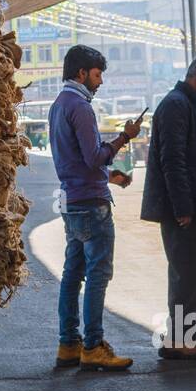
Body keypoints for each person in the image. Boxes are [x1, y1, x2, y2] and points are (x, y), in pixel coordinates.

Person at [48, 45, 141, 371]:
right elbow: (93, 157)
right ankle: (93, 345)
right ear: (82, 73)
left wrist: (110, 175)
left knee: (72, 274)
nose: (100, 82)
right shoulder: (81, 107)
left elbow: (75, 159)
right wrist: (124, 137)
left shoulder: (58, 105)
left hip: (71, 201)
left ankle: (68, 344)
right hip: (91, 205)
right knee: (98, 275)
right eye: (97, 75)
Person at [142, 56, 196, 360]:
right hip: (185, 211)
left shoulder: (189, 106)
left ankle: (185, 336)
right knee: (187, 273)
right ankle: (181, 339)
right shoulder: (176, 105)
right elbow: (172, 161)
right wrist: (183, 208)